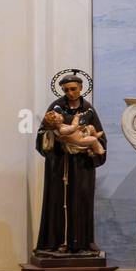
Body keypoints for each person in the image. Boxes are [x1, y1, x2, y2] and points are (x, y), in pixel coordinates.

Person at [34, 72, 105, 253]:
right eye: (66, 90)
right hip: (59, 163)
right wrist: (56, 138)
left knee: (82, 199)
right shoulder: (56, 107)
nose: (70, 93)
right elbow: (43, 133)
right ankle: (54, 241)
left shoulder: (88, 109)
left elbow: (100, 134)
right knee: (57, 200)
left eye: (74, 89)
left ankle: (83, 241)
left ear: (81, 88)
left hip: (81, 166)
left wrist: (91, 151)